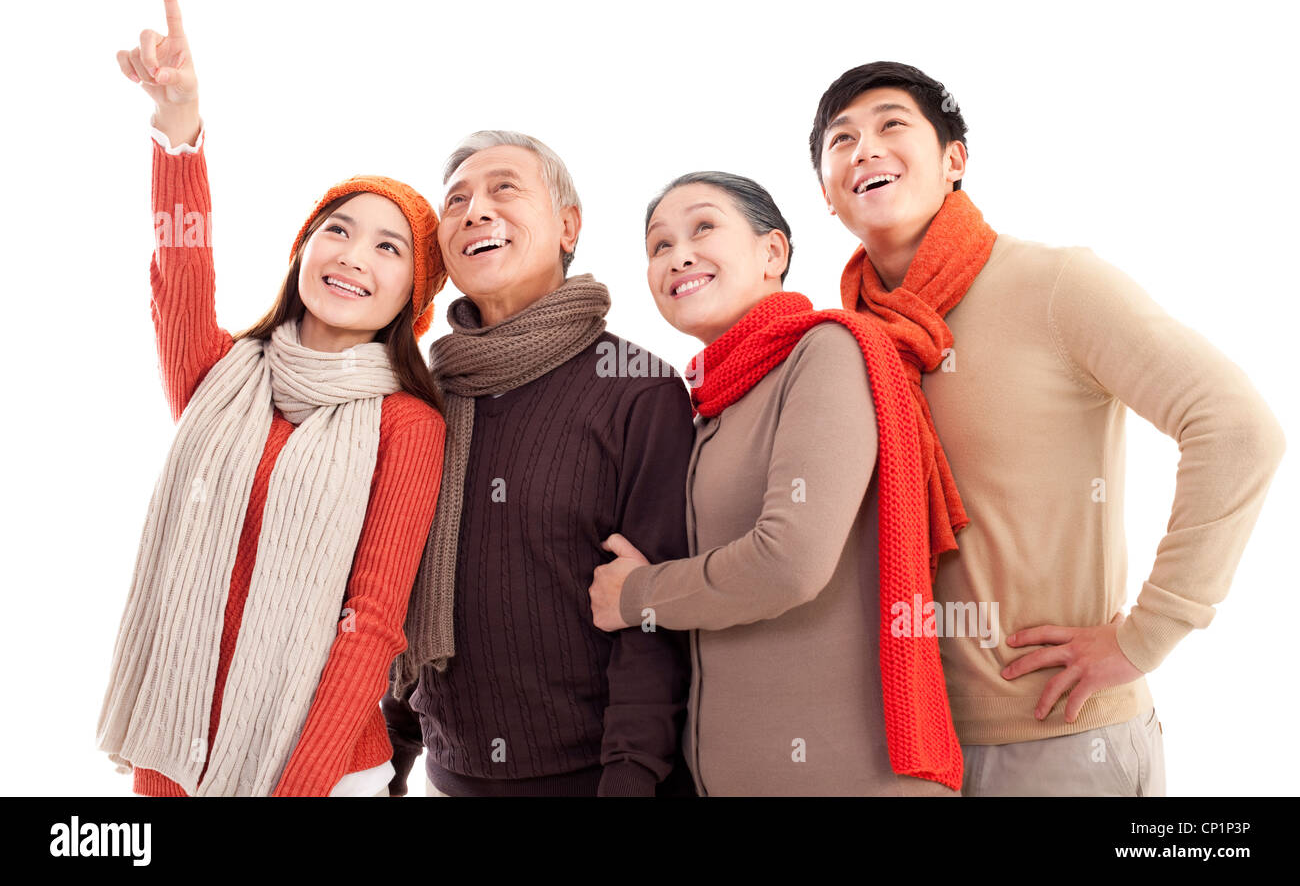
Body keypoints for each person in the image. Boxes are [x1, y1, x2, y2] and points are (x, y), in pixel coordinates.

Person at [811, 60, 1287, 796]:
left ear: (955, 161)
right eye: (841, 140)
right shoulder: (843, 344)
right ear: (826, 194)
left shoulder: (1055, 284)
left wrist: (1148, 635)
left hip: (1060, 742)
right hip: (903, 750)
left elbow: (1236, 427)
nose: (864, 149)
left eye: (891, 125)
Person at [96, 0, 448, 797]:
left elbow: (372, 625)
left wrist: (297, 787)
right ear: (303, 252)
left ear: (412, 299)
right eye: (337, 229)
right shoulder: (220, 376)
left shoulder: (406, 425)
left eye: (388, 248)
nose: (353, 255)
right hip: (174, 750)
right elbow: (179, 266)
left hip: (318, 770)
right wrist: (178, 123)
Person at [588, 171, 962, 795]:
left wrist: (637, 595)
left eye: (703, 227)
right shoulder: (711, 405)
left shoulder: (823, 354)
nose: (678, 254)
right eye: (658, 245)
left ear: (773, 253)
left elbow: (788, 563)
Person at [381, 131, 695, 797]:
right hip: (448, 778)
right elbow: (390, 594)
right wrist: (388, 768)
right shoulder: (422, 398)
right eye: (457, 200)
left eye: (503, 189)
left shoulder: (639, 389)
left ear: (567, 226)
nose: (475, 211)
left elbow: (653, 619)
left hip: (596, 782)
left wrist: (630, 783)